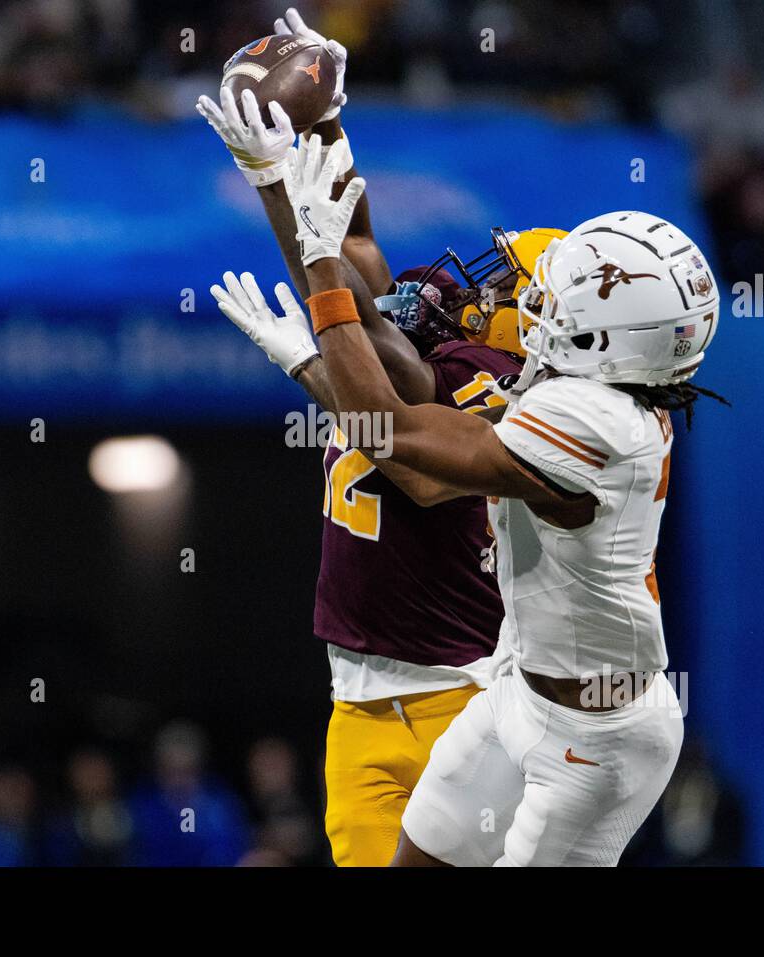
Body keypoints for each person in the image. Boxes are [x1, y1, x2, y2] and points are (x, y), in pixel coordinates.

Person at [219, 126, 728, 864]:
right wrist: (324, 125)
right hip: (517, 689)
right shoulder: (583, 386)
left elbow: (400, 446)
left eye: (540, 290)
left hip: (591, 738)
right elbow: (371, 293)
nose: (520, 294)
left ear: (601, 338)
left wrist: (310, 346)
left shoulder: (591, 422)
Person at [197, 6, 563, 866]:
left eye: (509, 279)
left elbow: (410, 460)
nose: (484, 280)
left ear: (539, 326)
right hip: (357, 703)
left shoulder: (516, 394)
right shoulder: (446, 353)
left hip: (461, 702)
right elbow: (351, 244)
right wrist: (316, 130)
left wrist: (308, 363)